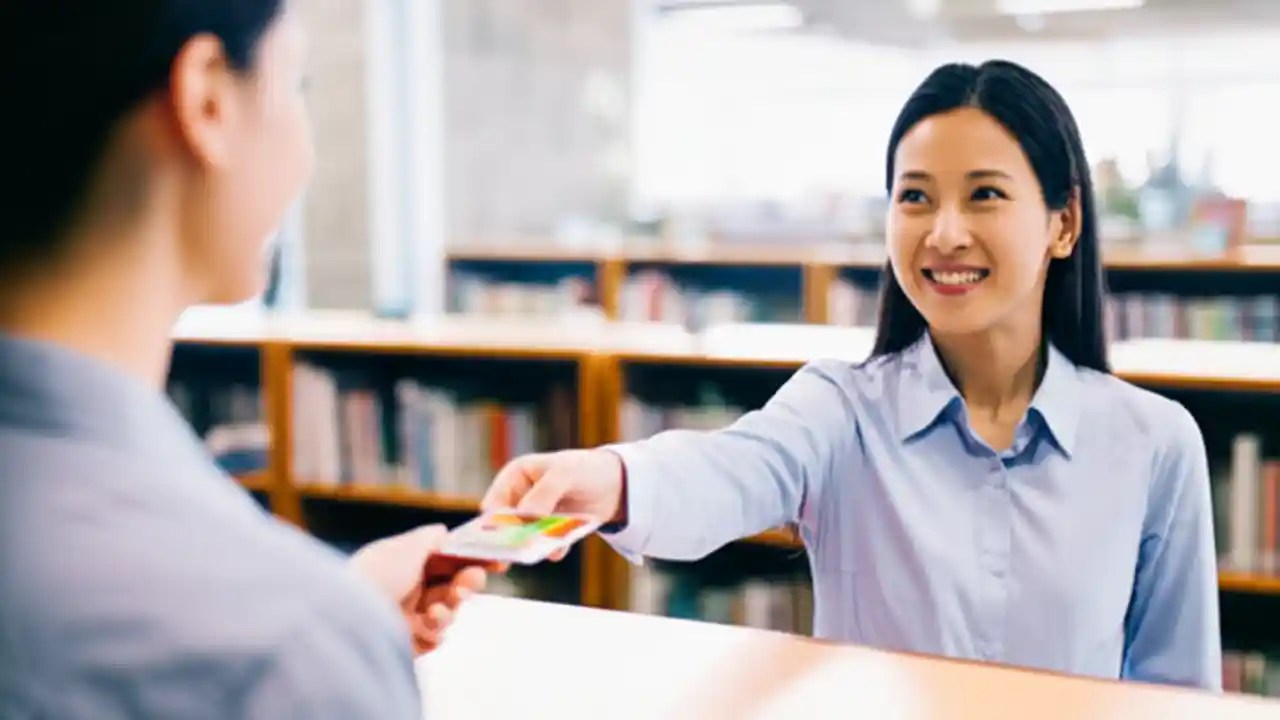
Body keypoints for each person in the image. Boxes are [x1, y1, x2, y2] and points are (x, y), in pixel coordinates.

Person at [484, 60, 1222, 690]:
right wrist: (609, 481)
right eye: (916, 196)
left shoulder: (1154, 445)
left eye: (985, 194)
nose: (944, 233)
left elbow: (1181, 696)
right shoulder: (840, 411)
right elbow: (725, 470)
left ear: (1064, 222)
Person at [0, 2, 494, 717]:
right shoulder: (284, 651)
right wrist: (326, 634)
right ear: (206, 100)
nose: (306, 155)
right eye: (296, 85)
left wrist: (335, 602)